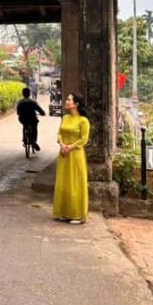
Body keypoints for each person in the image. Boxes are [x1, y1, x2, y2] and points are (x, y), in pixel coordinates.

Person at [53, 93, 90, 224]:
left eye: (69, 99)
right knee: (64, 182)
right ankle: (65, 212)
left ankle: (77, 215)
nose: (66, 101)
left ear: (76, 104)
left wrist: (70, 147)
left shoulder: (83, 121)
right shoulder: (65, 117)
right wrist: (62, 145)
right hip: (63, 154)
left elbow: (84, 139)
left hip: (75, 154)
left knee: (75, 183)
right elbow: (59, 133)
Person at [16, 87, 45, 152]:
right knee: (34, 128)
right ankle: (34, 141)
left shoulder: (20, 102)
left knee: (25, 126)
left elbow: (18, 112)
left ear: (22, 94)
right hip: (32, 119)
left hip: (23, 119)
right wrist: (42, 113)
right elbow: (39, 109)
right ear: (29, 94)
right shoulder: (33, 102)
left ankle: (24, 139)